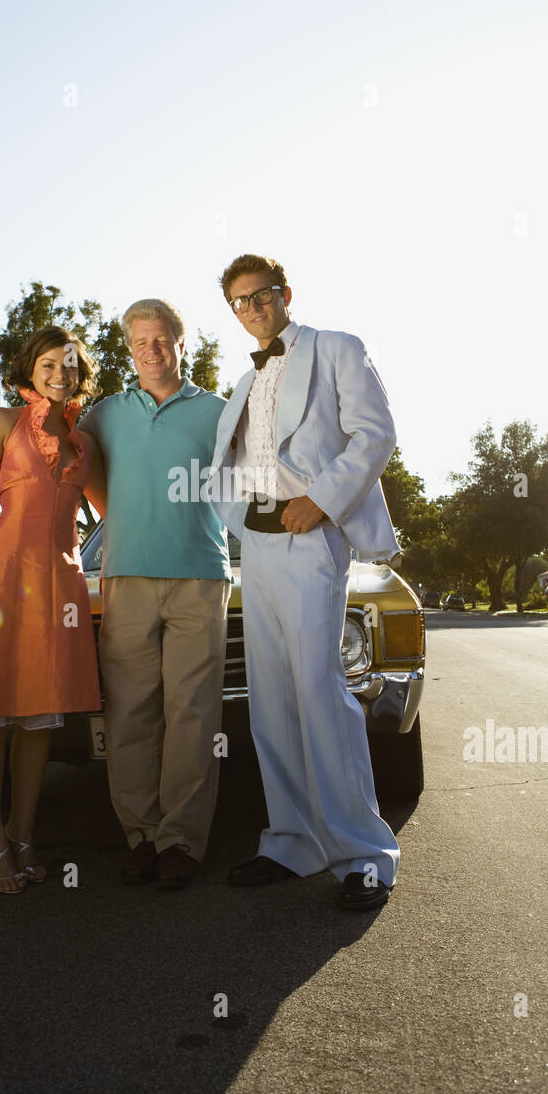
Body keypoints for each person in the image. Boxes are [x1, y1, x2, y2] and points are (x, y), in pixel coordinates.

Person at [208, 254, 401, 911]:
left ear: (284, 294)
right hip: (257, 546)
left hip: (312, 536)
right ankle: (292, 842)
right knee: (272, 701)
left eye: (260, 295)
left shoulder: (337, 349)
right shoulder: (242, 380)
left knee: (321, 692)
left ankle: (365, 856)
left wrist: (319, 501)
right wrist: (237, 519)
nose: (253, 308)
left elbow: (375, 435)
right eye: (239, 301)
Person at [0, 327, 105, 894]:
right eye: (48, 362)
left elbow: (109, 510)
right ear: (29, 370)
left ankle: (24, 835)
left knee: (39, 719)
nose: (60, 372)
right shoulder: (0, 422)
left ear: (82, 372)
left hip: (61, 587)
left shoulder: (83, 440)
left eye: (70, 363)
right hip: (1, 578)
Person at [76, 300, 231, 889]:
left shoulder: (219, 410)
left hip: (200, 575)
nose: (152, 350)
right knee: (131, 712)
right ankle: (140, 835)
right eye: (141, 341)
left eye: (162, 339)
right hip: (126, 577)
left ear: (181, 343)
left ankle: (182, 843)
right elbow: (77, 466)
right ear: (129, 348)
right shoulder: (104, 414)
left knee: (191, 714)